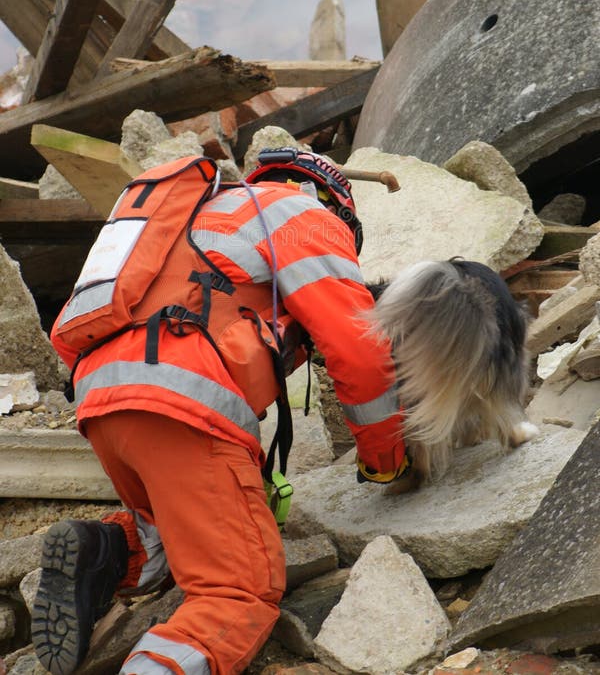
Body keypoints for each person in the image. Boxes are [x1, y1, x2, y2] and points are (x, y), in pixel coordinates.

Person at [32, 147, 407, 675]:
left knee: (174, 527)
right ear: (333, 203)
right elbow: (359, 346)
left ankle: (111, 549)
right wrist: (384, 456)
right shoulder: (301, 213)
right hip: (181, 397)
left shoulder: (192, 219)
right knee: (237, 592)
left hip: (102, 398)